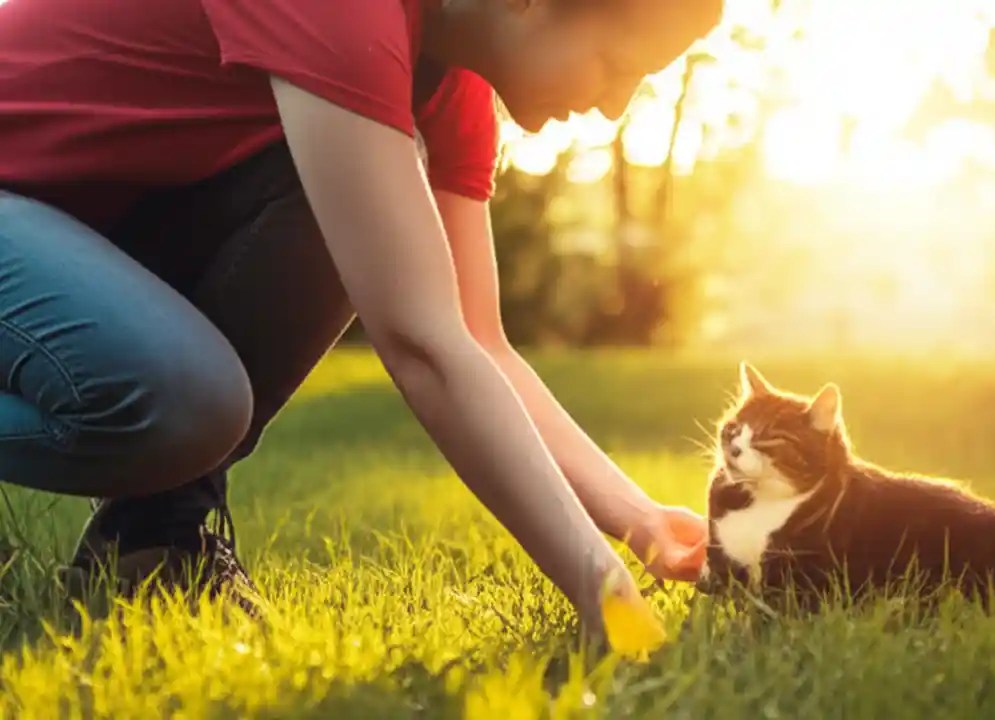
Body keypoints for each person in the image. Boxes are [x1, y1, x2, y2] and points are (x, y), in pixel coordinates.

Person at [0, 0, 721, 634]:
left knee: (363, 197)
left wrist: (638, 520)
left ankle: (150, 544)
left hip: (67, 231)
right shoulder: (342, 12)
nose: (617, 105)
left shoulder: (443, 85)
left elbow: (476, 342)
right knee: (182, 403)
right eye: (616, 63)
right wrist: (606, 597)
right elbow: (422, 345)